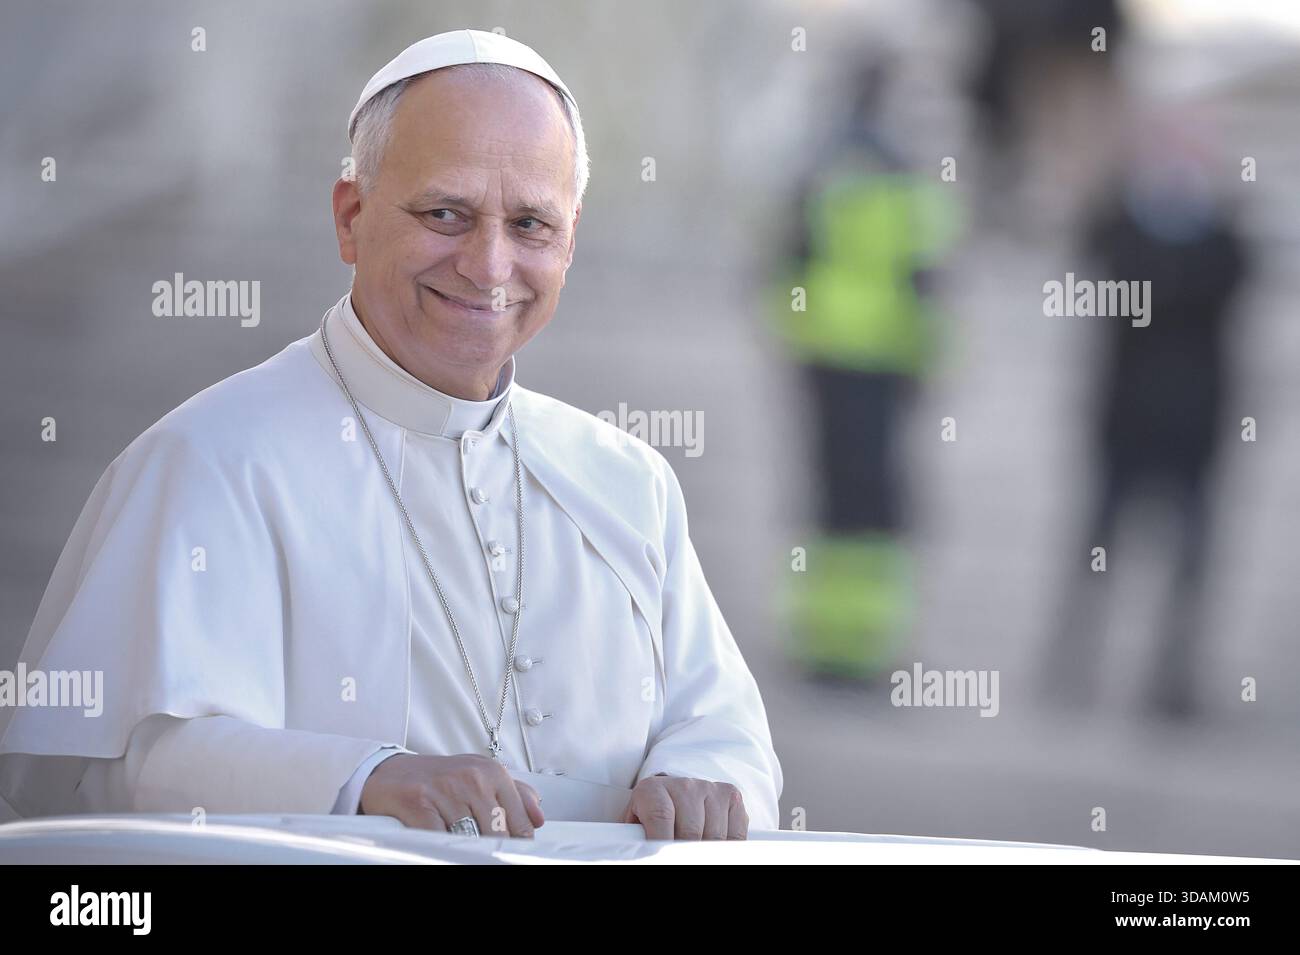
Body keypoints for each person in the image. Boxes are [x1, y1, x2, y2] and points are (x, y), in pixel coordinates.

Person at [0, 30, 781, 841]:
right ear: (351, 218)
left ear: (570, 240)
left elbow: (722, 731)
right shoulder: (209, 459)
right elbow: (91, 767)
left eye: (530, 224)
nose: (488, 265)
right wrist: (362, 777)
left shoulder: (629, 481)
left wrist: (704, 779)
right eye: (446, 213)